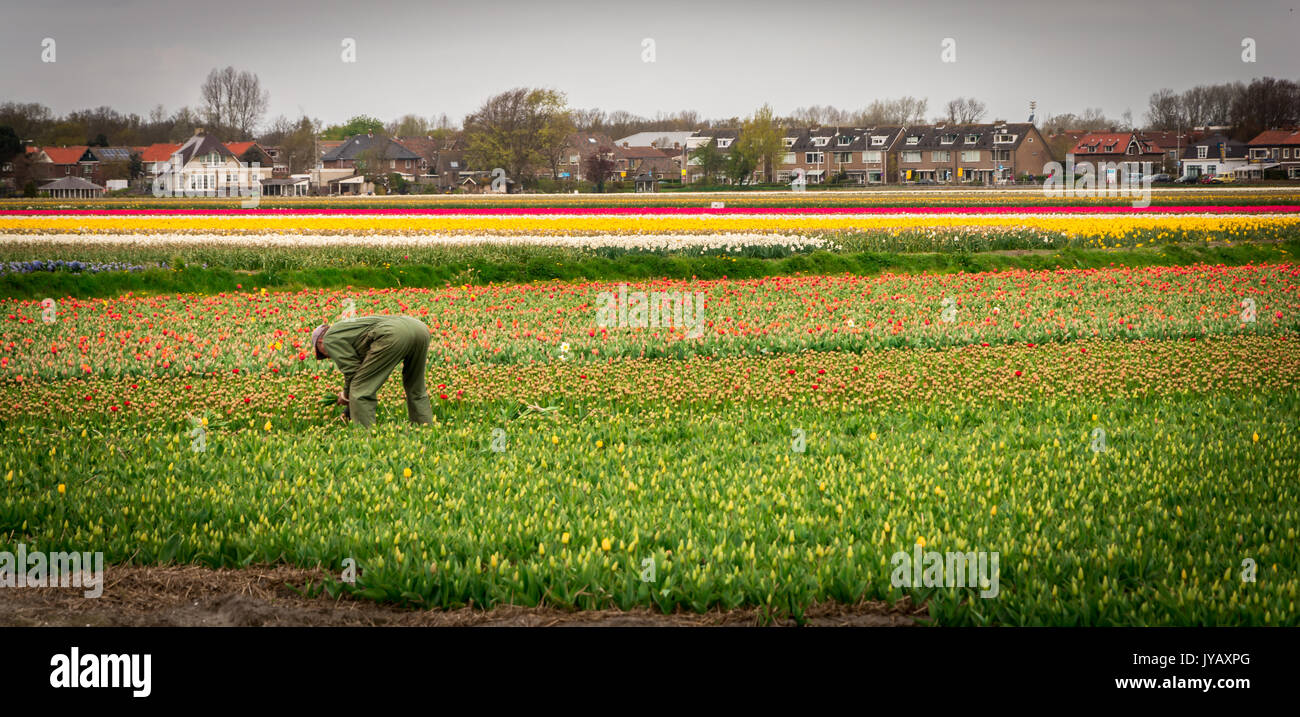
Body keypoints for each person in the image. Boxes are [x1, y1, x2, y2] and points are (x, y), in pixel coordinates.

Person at [311, 315, 433, 427]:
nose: (328, 357)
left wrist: (346, 395)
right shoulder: (348, 332)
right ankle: (424, 428)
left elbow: (352, 371)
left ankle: (366, 438)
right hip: (419, 328)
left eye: (322, 353)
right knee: (415, 386)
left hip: (393, 333)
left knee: (360, 390)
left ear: (320, 342)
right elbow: (362, 369)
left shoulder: (329, 339)